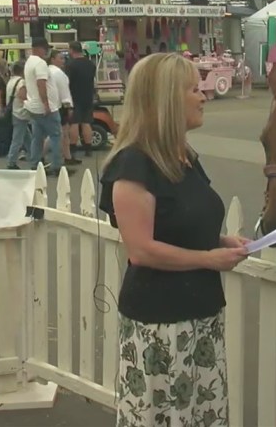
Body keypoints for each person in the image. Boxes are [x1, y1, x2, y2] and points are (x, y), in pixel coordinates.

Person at [98, 53, 248, 427]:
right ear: (166, 99)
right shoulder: (134, 164)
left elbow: (181, 222)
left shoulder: (185, 157)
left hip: (202, 313)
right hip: (161, 324)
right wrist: (209, 259)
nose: (203, 96)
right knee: (163, 416)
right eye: (193, 89)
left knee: (202, 413)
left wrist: (219, 240)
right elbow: (142, 250)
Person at [24, 37, 67, 176]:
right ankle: (56, 166)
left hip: (33, 106)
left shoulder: (29, 62)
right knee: (56, 135)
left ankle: (35, 164)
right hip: (44, 107)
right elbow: (41, 83)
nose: (47, 51)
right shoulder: (40, 63)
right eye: (45, 48)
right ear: (39, 48)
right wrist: (46, 104)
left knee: (37, 137)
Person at [47, 50, 81, 166]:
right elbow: (64, 92)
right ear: (52, 59)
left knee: (63, 133)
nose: (63, 61)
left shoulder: (47, 71)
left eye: (63, 58)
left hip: (51, 105)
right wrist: (69, 107)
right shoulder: (59, 74)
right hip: (61, 106)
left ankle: (68, 156)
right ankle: (62, 157)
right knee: (60, 133)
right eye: (60, 58)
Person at [65, 41, 97, 156]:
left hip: (74, 97)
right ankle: (88, 148)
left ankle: (72, 148)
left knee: (74, 123)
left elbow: (67, 82)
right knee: (86, 123)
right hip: (88, 97)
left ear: (72, 50)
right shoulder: (90, 64)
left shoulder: (70, 65)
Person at [5, 61, 32, 170]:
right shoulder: (22, 82)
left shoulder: (11, 81)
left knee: (27, 137)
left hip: (14, 111)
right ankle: (11, 162)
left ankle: (35, 156)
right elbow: (23, 96)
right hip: (21, 112)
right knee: (18, 139)